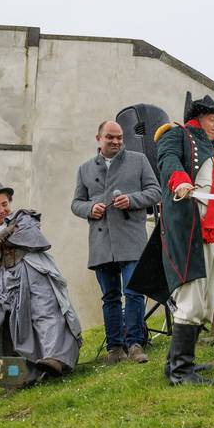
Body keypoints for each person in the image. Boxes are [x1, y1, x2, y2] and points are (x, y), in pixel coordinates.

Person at [131, 92, 214, 385]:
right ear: (198, 118)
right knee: (192, 300)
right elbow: (167, 161)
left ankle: (179, 363)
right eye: (213, 118)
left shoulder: (213, 153)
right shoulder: (176, 135)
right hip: (187, 232)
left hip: (212, 236)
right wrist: (180, 181)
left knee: (208, 303)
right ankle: (181, 373)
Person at [0, 182, 83, 387]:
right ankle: (20, 374)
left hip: (33, 271)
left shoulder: (24, 216)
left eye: (4, 204)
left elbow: (31, 238)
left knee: (45, 313)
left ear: (10, 203)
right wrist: (5, 234)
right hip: (6, 279)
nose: (1, 210)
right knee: (4, 323)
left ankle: (55, 358)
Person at [71, 120, 162, 364]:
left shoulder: (138, 160)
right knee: (110, 296)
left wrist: (131, 200)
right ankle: (114, 348)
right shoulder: (85, 169)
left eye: (119, 137)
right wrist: (91, 208)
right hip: (101, 242)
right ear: (98, 138)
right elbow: (76, 203)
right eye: (110, 137)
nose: (116, 141)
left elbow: (156, 191)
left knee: (133, 292)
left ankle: (135, 344)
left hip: (131, 239)